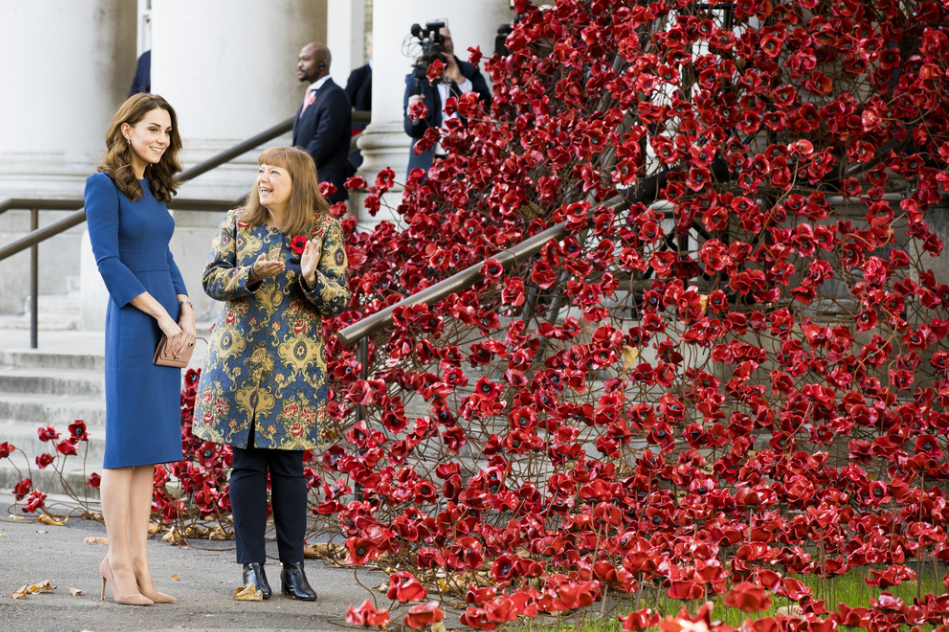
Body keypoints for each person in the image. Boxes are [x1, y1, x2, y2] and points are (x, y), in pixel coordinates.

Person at [193, 146, 351, 601]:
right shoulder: (237, 222)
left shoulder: (323, 229)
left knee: (288, 466)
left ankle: (293, 570)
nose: (263, 178)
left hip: (293, 367)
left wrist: (311, 277)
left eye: (274, 172)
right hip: (240, 359)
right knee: (245, 462)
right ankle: (251, 569)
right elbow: (211, 278)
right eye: (260, 170)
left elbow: (339, 299)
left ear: (296, 180)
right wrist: (249, 274)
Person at [85, 93, 196, 606]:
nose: (162, 139)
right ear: (126, 130)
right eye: (153, 128)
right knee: (125, 448)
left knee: (148, 452)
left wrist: (185, 305)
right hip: (134, 321)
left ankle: (141, 564)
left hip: (167, 319)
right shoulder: (102, 185)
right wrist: (161, 314)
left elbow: (163, 253)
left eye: (167, 131)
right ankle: (117, 561)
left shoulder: (152, 186)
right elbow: (109, 262)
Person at [403, 25, 492, 176]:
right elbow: (411, 131)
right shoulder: (416, 78)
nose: (441, 44)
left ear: (452, 42)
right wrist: (414, 115)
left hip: (465, 162)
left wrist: (460, 80)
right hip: (427, 165)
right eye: (435, 40)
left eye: (445, 39)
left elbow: (486, 109)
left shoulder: (469, 71)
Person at [292, 43, 354, 204]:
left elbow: (324, 140)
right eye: (299, 60)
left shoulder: (334, 95)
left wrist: (293, 165)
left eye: (306, 59)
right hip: (308, 183)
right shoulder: (314, 93)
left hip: (326, 186)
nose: (300, 65)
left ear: (323, 63)